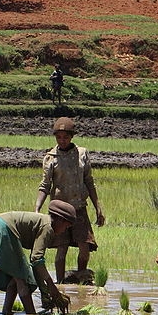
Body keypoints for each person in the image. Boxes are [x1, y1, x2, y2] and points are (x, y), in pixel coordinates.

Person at [0, 200, 76, 315]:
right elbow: (36, 259)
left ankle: (7, 312)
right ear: (60, 220)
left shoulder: (44, 222)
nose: (64, 231)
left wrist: (45, 292)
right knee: (22, 278)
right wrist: (51, 287)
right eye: (66, 227)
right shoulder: (47, 227)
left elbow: (36, 264)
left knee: (16, 275)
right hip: (4, 229)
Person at [35, 117, 105, 285]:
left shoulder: (82, 154)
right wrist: (37, 209)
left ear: (72, 136)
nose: (62, 140)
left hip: (79, 207)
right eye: (58, 137)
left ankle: (81, 279)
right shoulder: (51, 158)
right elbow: (45, 185)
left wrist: (98, 207)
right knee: (61, 250)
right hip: (59, 212)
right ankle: (60, 284)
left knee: (85, 247)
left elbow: (89, 181)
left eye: (65, 137)